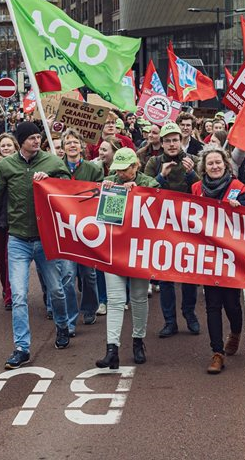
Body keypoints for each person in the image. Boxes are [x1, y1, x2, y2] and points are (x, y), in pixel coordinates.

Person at [0, 122, 72, 370]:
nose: (36, 141)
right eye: (31, 138)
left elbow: (70, 186)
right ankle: (22, 347)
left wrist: (52, 179)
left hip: (46, 239)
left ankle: (63, 324)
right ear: (20, 141)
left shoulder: (51, 162)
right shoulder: (6, 166)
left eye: (37, 137)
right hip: (18, 240)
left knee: (56, 290)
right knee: (19, 295)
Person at [192, 147, 245, 374]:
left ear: (226, 164)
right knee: (212, 305)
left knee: (232, 304)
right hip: (207, 256)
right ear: (204, 167)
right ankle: (217, 352)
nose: (215, 166)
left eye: (218, 162)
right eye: (210, 163)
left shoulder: (238, 188)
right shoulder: (196, 189)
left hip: (231, 256)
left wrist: (242, 210)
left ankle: (235, 332)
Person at [96, 148, 158, 368]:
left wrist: (139, 191)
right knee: (115, 299)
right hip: (113, 249)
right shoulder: (108, 181)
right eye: (118, 170)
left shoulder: (150, 183)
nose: (121, 174)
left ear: (136, 166)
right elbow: (99, 214)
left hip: (139, 249)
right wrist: (102, 192)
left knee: (139, 297)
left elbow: (161, 207)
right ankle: (111, 349)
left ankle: (138, 341)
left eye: (125, 169)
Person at [145, 122, 201, 337]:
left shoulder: (193, 161)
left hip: (188, 227)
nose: (171, 144)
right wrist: (161, 176)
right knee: (165, 275)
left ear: (181, 141)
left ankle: (190, 314)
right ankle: (170, 321)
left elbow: (203, 190)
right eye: (167, 140)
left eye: (175, 140)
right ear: (162, 142)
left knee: (189, 275)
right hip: (162, 227)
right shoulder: (154, 161)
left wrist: (191, 174)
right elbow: (146, 191)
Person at [62, 128, 107, 326]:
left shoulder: (93, 169)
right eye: (68, 142)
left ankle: (89, 307)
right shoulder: (57, 169)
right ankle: (70, 318)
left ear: (81, 146)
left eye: (75, 142)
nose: (72, 145)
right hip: (66, 229)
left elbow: (98, 195)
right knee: (68, 275)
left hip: (87, 228)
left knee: (89, 274)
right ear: (63, 148)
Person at [0, 132, 19, 310]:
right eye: (3, 146)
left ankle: (10, 295)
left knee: (10, 259)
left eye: (9, 145)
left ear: (15, 148)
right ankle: (5, 286)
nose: (6, 148)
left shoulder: (21, 167)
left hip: (15, 220)